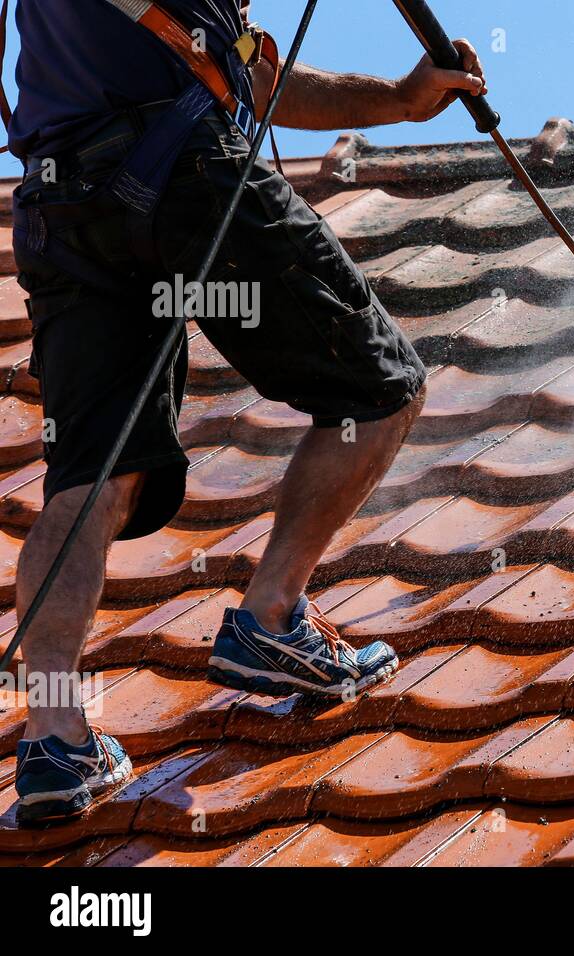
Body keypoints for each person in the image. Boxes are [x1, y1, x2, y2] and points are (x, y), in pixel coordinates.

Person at [6, 0, 486, 825]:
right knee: (380, 390)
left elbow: (244, 66)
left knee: (90, 479)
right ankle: (270, 618)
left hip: (63, 204)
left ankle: (53, 738)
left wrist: (402, 102)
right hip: (182, 169)